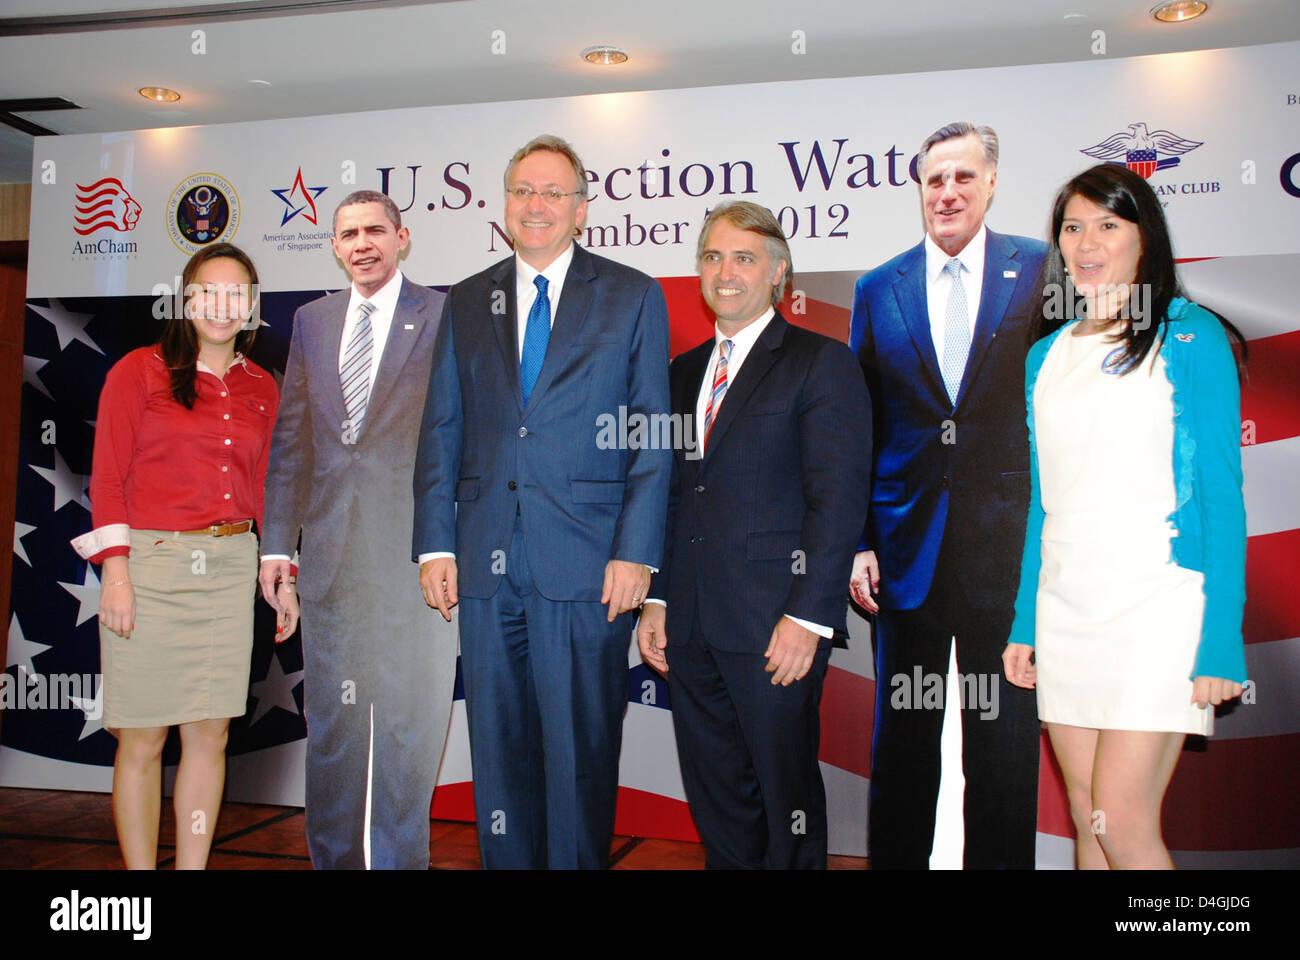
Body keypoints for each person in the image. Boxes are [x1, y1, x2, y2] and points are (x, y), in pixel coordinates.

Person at [413, 134, 671, 869]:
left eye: (553, 193)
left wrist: (637, 553)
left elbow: (652, 436)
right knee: (498, 754)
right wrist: (436, 543)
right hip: (487, 568)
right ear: (504, 204)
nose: (536, 205)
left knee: (580, 751)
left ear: (581, 209)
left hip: (589, 567)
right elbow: (443, 427)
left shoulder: (631, 294)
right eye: (524, 190)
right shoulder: (466, 300)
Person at [1003, 163, 1247, 869]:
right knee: (1087, 817)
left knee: (1123, 820)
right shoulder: (1046, 354)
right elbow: (1042, 503)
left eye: (1108, 224)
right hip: (1067, 603)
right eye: (1073, 227)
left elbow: (1221, 499)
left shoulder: (1190, 335)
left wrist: (1221, 641)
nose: (1087, 242)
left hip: (1159, 603)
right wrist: (1026, 621)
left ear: (1146, 238)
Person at [636, 202, 870, 868]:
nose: (725, 272)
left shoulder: (821, 363)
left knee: (783, 794)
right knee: (717, 796)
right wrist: (657, 598)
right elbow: (672, 497)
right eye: (712, 257)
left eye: (743, 257)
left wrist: (809, 616)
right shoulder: (681, 373)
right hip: (692, 625)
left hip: (777, 627)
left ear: (778, 272)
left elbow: (838, 501)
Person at [847, 122, 1046, 869]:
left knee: (1001, 751)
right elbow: (861, 427)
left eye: (963, 177)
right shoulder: (878, 288)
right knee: (904, 746)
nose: (948, 192)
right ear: (920, 189)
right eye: (935, 180)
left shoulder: (1040, 269)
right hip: (905, 559)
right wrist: (860, 540)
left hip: (1007, 557)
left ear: (991, 183)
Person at [258, 190, 458, 870]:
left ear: (403, 238)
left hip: (418, 561)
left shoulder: (445, 314)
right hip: (331, 561)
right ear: (336, 247)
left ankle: (402, 864)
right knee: (335, 730)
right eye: (348, 234)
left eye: (376, 230)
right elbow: (292, 443)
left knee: (410, 727)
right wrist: (278, 547)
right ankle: (334, 863)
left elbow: (465, 434)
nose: (362, 243)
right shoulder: (312, 321)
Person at [72, 242, 282, 869]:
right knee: (141, 738)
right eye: (209, 291)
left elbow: (269, 487)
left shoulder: (263, 387)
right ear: (187, 299)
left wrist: (280, 572)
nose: (223, 305)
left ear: (251, 306)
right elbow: (106, 479)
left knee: (210, 735)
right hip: (150, 569)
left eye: (236, 293)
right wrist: (116, 573)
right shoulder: (138, 371)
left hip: (230, 568)